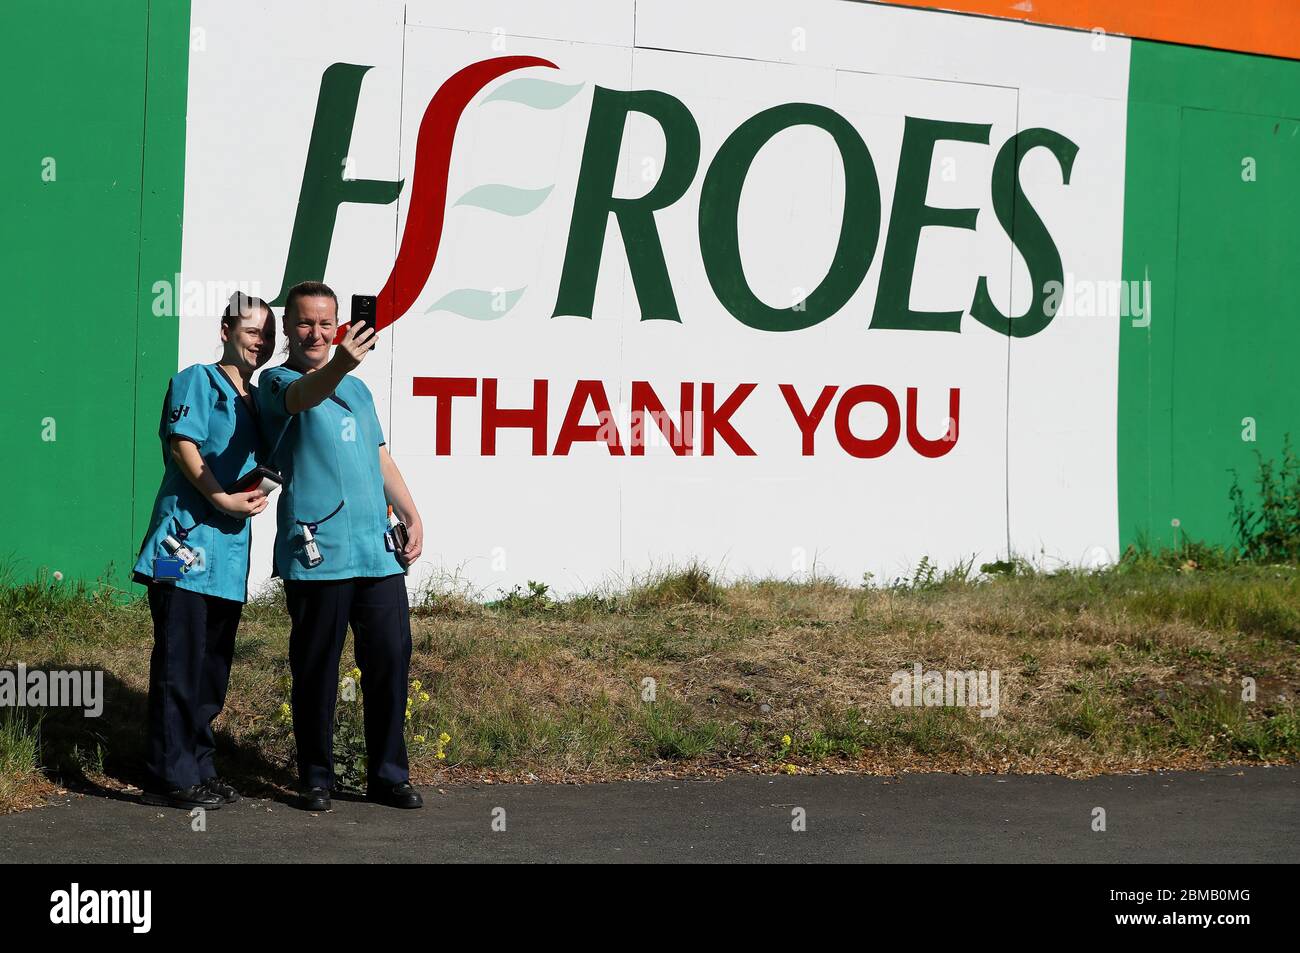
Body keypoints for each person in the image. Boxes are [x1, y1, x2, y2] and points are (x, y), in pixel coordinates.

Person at [257, 280, 424, 811]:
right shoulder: (276, 381)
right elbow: (305, 397)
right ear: (287, 328)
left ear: (340, 326)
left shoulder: (358, 390)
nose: (316, 332)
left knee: (390, 661)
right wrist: (342, 366)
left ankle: (387, 775)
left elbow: (379, 457)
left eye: (326, 323)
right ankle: (316, 777)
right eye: (305, 322)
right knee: (316, 668)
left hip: (376, 552)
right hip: (319, 552)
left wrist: (413, 512)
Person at [133, 292, 275, 810]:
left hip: (226, 558)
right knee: (178, 662)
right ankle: (168, 777)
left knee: (211, 669)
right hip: (180, 549)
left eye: (268, 334)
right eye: (252, 330)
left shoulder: (258, 400)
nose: (261, 341)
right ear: (225, 330)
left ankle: (199, 765)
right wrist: (221, 497)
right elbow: (183, 446)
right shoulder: (197, 378)